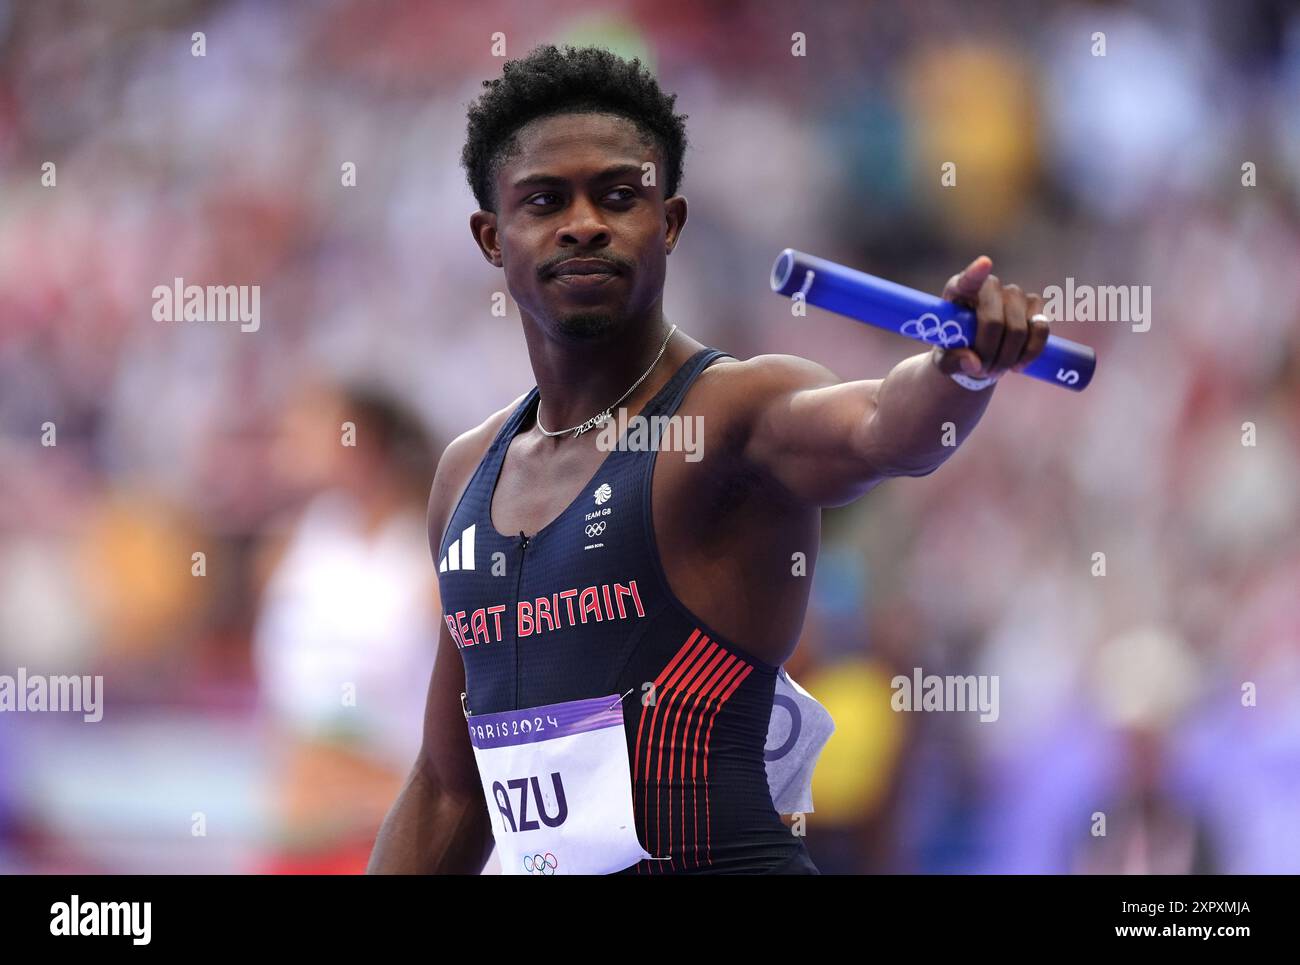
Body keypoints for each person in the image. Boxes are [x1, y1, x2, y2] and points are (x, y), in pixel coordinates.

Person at [367, 45, 1050, 875]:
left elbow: (881, 428)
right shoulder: (466, 475)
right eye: (545, 200)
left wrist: (961, 368)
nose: (585, 222)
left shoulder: (732, 414)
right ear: (489, 236)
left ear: (671, 222)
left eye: (619, 196)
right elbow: (449, 787)